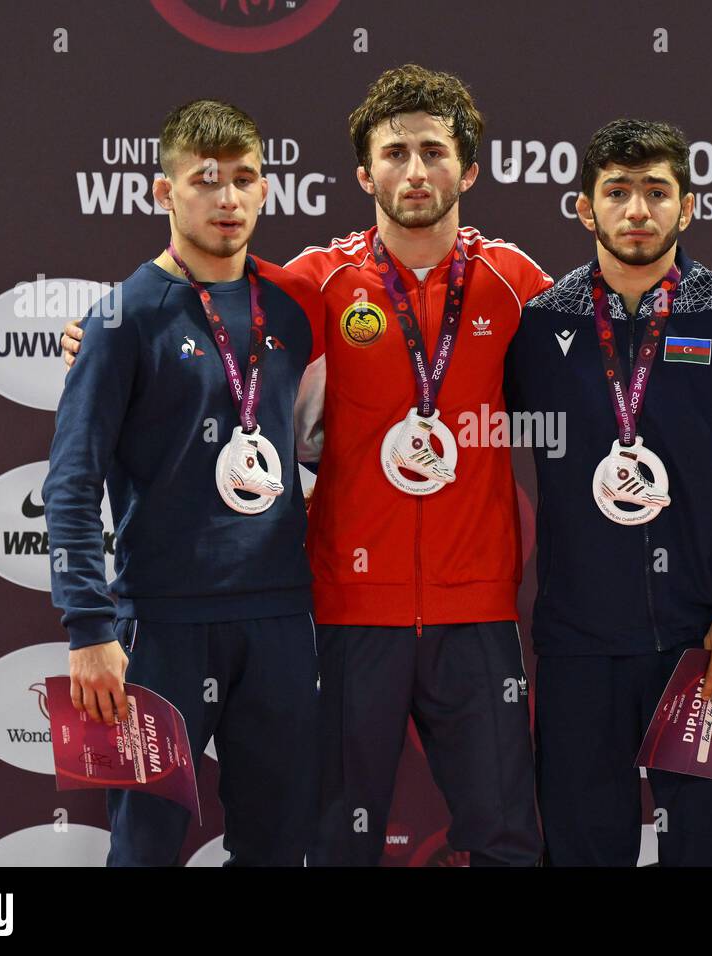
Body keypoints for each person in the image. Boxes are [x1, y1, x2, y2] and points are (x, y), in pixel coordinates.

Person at [67, 66, 552, 865]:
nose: (416, 171)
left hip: (476, 614)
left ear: (469, 170)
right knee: (334, 843)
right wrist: (100, 335)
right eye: (394, 154)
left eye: (435, 152)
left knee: (504, 838)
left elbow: (609, 358)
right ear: (365, 174)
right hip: (346, 613)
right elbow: (203, 298)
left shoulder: (517, 282)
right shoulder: (312, 284)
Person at [507, 119, 712, 866]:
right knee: (580, 847)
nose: (637, 210)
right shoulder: (541, 325)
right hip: (577, 647)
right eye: (618, 192)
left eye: (656, 192)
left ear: (688, 207)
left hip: (704, 644)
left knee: (711, 851)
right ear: (585, 209)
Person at [46, 99, 323, 866]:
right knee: (145, 850)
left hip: (277, 619)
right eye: (206, 181)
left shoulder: (296, 313)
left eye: (244, 179)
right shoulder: (121, 319)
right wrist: (89, 627)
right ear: (164, 192)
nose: (228, 200)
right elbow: (70, 483)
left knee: (276, 847)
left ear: (267, 189)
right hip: (158, 628)